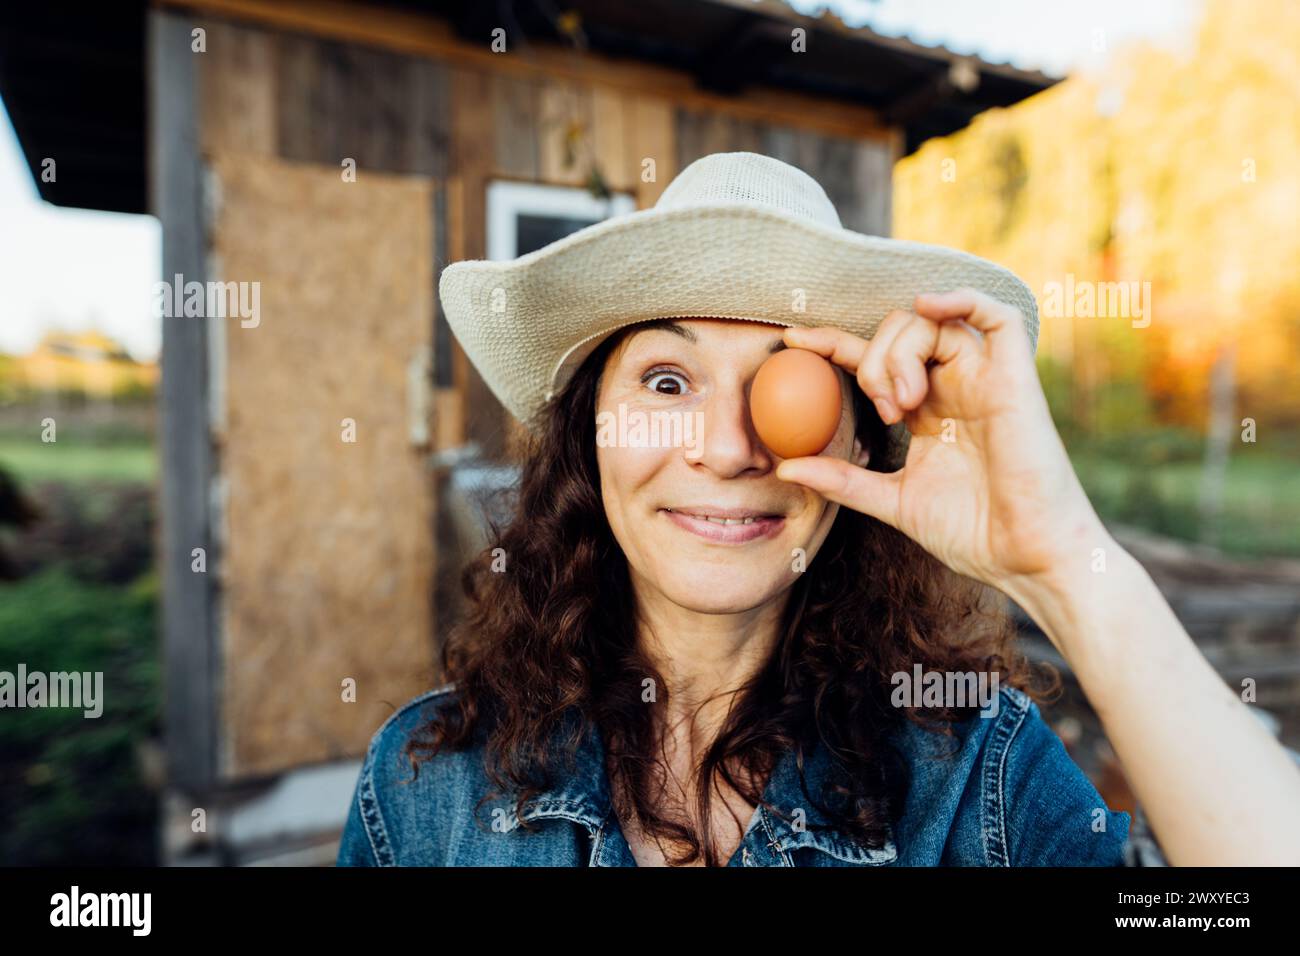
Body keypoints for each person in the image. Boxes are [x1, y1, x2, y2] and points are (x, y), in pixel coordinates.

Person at [337, 152, 1300, 867]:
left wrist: (1059, 563)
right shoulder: (426, 791)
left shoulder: (974, 778)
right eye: (668, 380)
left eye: (788, 386)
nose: (727, 448)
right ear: (590, 434)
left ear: (857, 445)